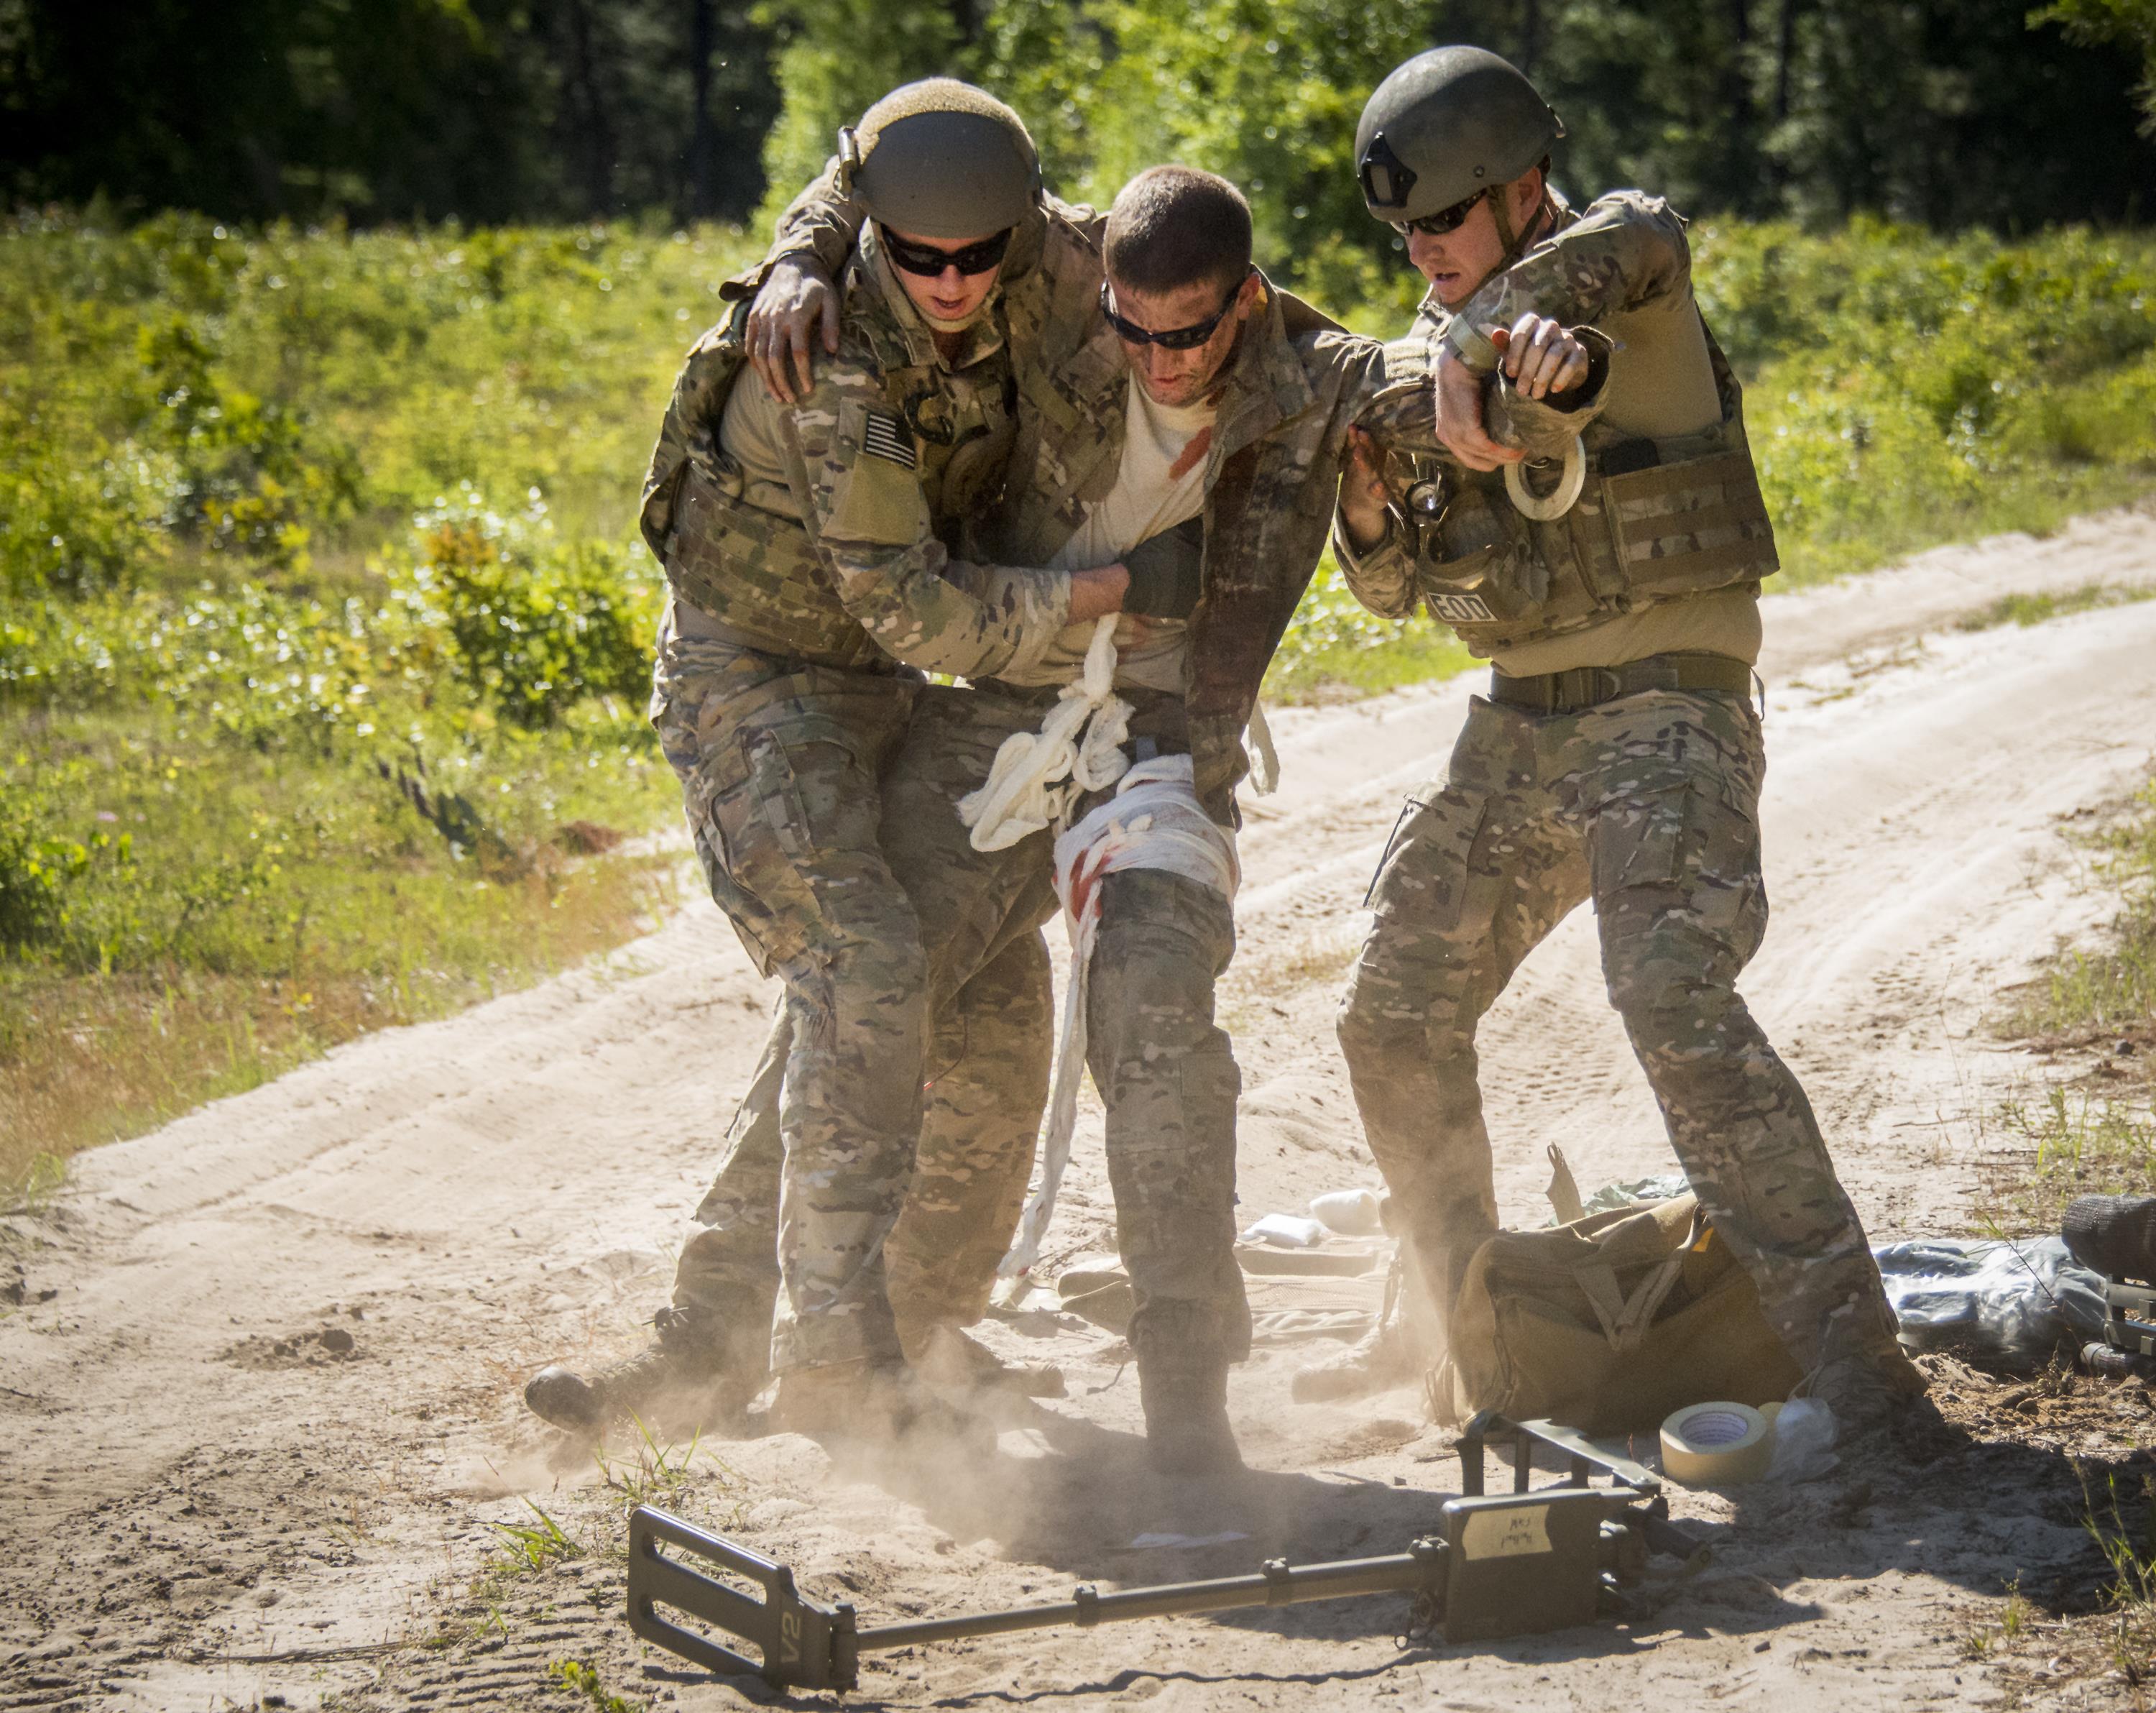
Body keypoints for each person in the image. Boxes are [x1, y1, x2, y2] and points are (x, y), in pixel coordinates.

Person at [711, 159, 1460, 1474]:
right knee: (867, 991)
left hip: (1163, 748)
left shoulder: (1323, 377)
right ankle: (706, 1334)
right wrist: (794, 261)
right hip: (1004, 707)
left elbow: (1443, 422)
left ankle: (1187, 1395)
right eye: (1133, 329)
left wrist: (1512, 389)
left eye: (1191, 333)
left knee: (1155, 1024)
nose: (1159, 360)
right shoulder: (1059, 276)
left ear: (1247, 302)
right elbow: (897, 162)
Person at [522, 79, 1176, 1440]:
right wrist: (1104, 600)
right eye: (915, 253)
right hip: (753, 680)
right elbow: (918, 608)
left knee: (981, 994)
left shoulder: (1038, 246)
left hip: (883, 687)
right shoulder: (824, 355)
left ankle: (908, 1330)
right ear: (876, 236)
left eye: (975, 256)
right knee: (864, 969)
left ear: (1017, 228)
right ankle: (774, 1354)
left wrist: (1437, 375)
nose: (949, 279)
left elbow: (1212, 285)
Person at [1313, 45, 1925, 1431]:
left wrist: (1489, 348)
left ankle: (1864, 1380)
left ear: (1524, 190)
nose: (1423, 250)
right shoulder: (1432, 352)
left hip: (1671, 710)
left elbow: (1645, 234)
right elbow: (1397, 587)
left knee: (1671, 999)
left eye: (1447, 220)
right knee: (1390, 1014)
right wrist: (1365, 504)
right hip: (1521, 730)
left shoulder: (1616, 282)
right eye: (1403, 230)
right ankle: (1463, 1331)